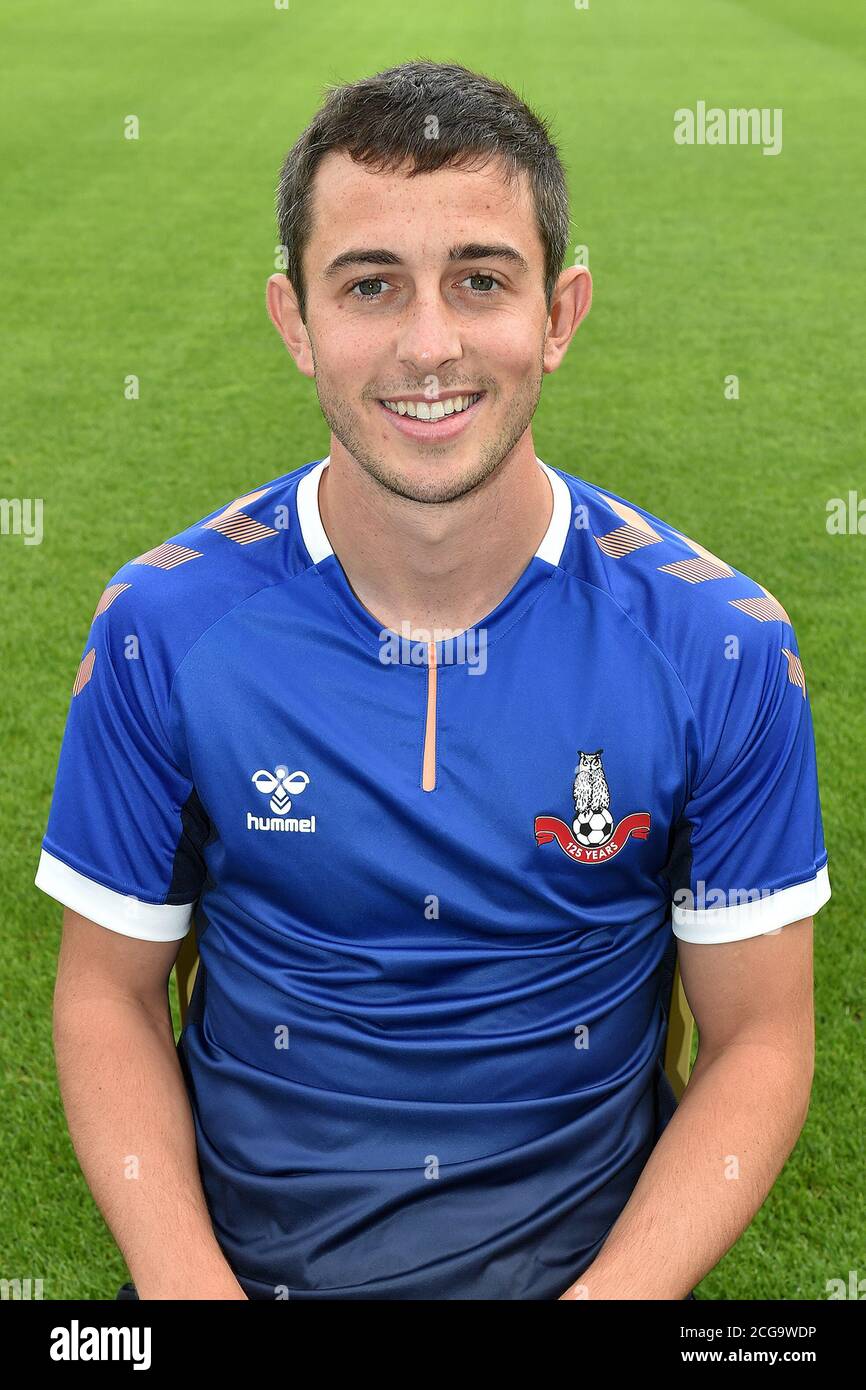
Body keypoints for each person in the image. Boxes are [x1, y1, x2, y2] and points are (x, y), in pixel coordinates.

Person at [36, 60, 830, 1301]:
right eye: (369, 284)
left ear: (558, 314)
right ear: (293, 319)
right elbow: (107, 992)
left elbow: (759, 1034)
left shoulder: (715, 643)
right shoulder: (166, 624)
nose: (427, 345)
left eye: (478, 280)